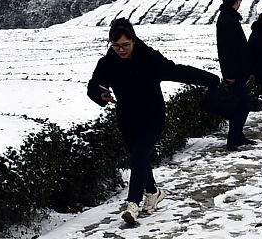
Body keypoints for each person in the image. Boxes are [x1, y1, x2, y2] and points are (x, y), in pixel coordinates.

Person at [87, 17, 220, 226]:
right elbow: (94, 85)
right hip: (127, 118)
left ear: (134, 40)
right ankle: (153, 192)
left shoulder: (149, 58)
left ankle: (132, 204)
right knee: (138, 157)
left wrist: (211, 80)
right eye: (116, 46)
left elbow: (178, 71)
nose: (120, 50)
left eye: (125, 45)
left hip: (152, 115)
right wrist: (100, 93)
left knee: (139, 155)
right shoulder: (107, 63)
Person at [216, 0, 256, 150]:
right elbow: (225, 50)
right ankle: (233, 139)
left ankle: (238, 136)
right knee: (242, 105)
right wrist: (229, 74)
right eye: (238, 0)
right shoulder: (226, 19)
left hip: (238, 70)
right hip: (234, 72)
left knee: (240, 104)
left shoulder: (229, 18)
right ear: (235, 1)